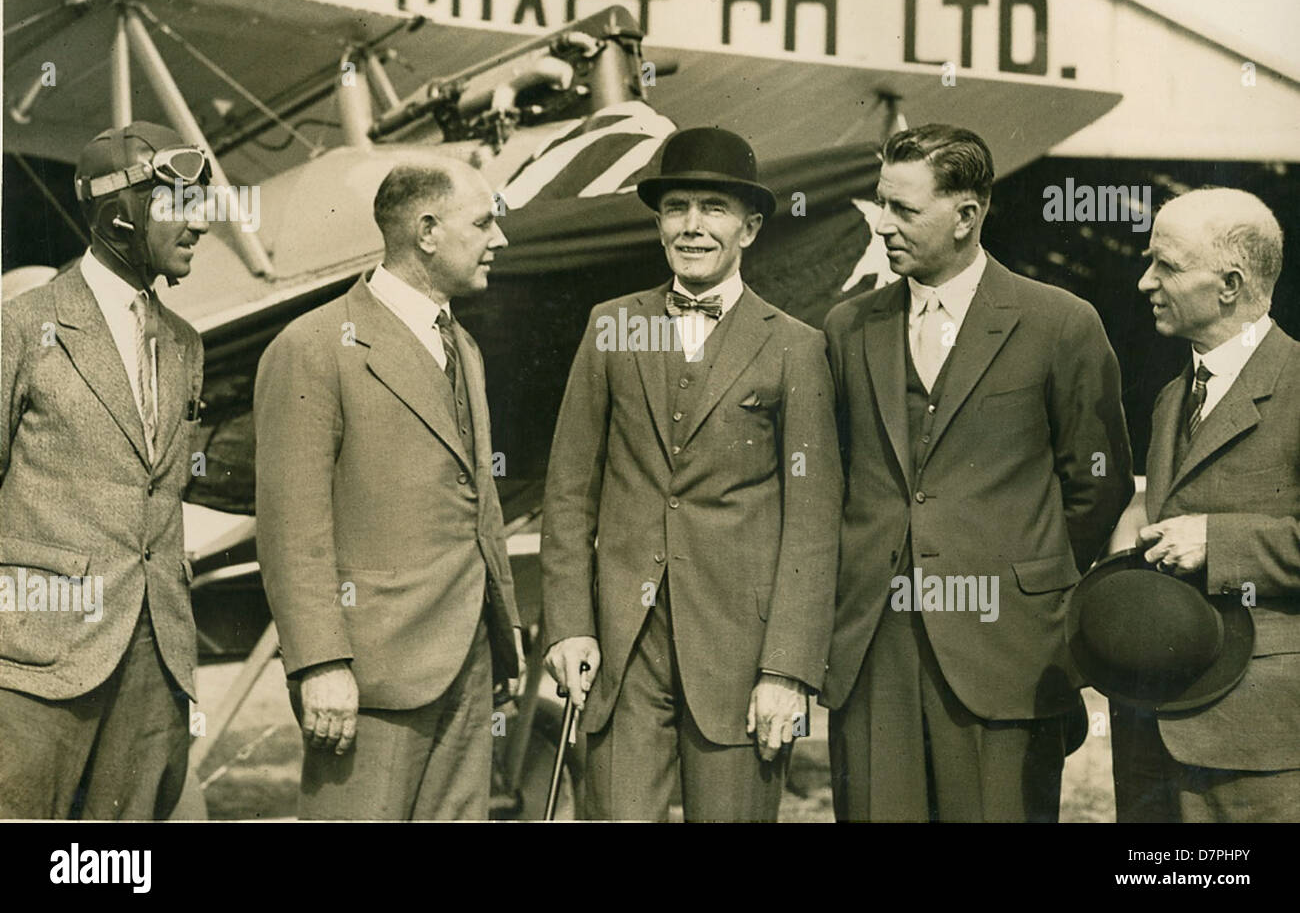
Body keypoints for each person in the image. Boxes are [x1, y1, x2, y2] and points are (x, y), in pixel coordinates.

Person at [822, 123, 1133, 821]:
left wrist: (1020, 578)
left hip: (1006, 653)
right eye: (881, 205)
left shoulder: (1059, 323)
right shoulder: (848, 328)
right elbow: (835, 477)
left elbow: (1099, 482)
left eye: (904, 210)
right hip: (876, 650)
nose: (884, 227)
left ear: (966, 215)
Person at [540, 126, 841, 821]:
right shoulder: (610, 325)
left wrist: (787, 671)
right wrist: (568, 627)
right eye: (676, 208)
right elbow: (568, 494)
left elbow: (813, 524)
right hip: (621, 652)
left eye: (713, 208)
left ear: (750, 228)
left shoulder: (797, 347)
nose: (693, 226)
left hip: (740, 660)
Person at [254, 160, 523, 820]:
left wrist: (504, 633)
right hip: (367, 681)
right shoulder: (313, 346)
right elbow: (293, 528)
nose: (501, 240)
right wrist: (320, 664)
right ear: (427, 231)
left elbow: (480, 508)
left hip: (468, 664)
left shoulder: (463, 346)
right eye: (484, 222)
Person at [0, 121, 209, 818]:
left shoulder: (186, 344)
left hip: (157, 662)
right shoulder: (22, 326)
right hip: (38, 661)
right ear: (122, 212)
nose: (201, 223)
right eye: (181, 203)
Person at [1117, 187, 1299, 822]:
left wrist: (1217, 544)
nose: (1146, 282)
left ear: (1229, 283)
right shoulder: (1174, 396)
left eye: (1166, 265)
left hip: (1261, 743)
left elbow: (1208, 530)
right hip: (1155, 727)